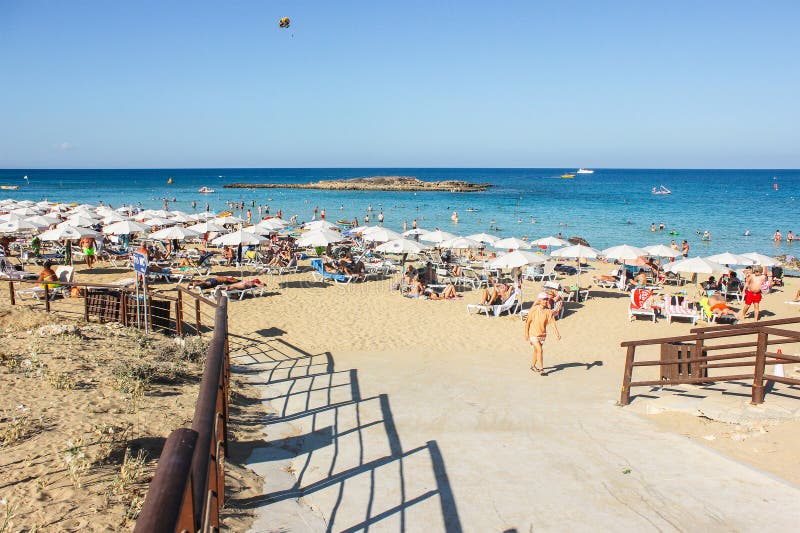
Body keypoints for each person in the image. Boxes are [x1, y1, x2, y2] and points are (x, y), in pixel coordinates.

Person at [524, 292, 562, 375]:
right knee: (540, 350)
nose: (546, 301)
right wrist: (526, 334)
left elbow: (552, 323)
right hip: (533, 334)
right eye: (544, 299)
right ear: (540, 300)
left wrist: (557, 333)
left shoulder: (548, 311)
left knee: (536, 350)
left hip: (542, 334)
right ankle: (541, 369)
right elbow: (528, 322)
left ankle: (532, 366)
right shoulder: (534, 309)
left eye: (547, 299)